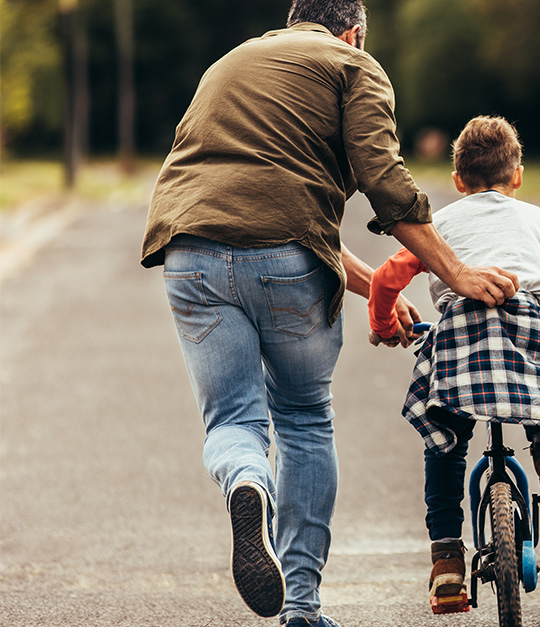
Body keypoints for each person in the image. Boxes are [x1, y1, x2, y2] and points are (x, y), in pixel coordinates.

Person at [139, 3, 518, 626]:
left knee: (233, 420)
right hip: (286, 262)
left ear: (294, 22)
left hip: (189, 252)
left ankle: (245, 484)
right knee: (303, 417)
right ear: (355, 31)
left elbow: (287, 215)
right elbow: (383, 181)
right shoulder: (352, 65)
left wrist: (381, 294)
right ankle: (302, 608)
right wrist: (458, 274)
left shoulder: (230, 64)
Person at [366, 116, 540, 607]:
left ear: (458, 181)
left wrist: (384, 325)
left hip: (459, 338)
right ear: (517, 175)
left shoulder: (436, 228)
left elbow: (384, 281)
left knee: (446, 445)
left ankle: (446, 564)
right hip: (526, 325)